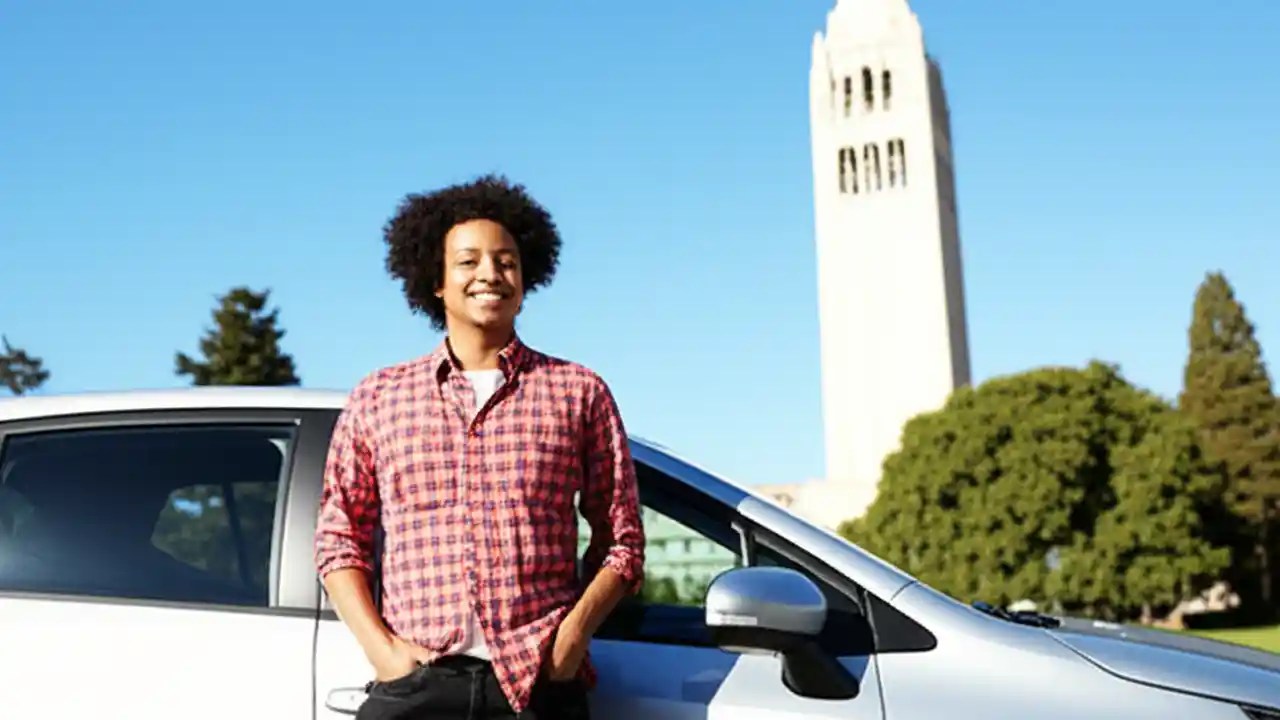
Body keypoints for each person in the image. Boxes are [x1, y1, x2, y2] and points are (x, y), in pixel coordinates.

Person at [314, 174, 645, 720]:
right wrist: (383, 653)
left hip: (536, 685)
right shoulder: (379, 396)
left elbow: (623, 542)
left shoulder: (577, 391)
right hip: (415, 684)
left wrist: (569, 644)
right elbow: (338, 536)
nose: (490, 273)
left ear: (527, 275)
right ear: (436, 280)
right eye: (468, 261)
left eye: (506, 260)